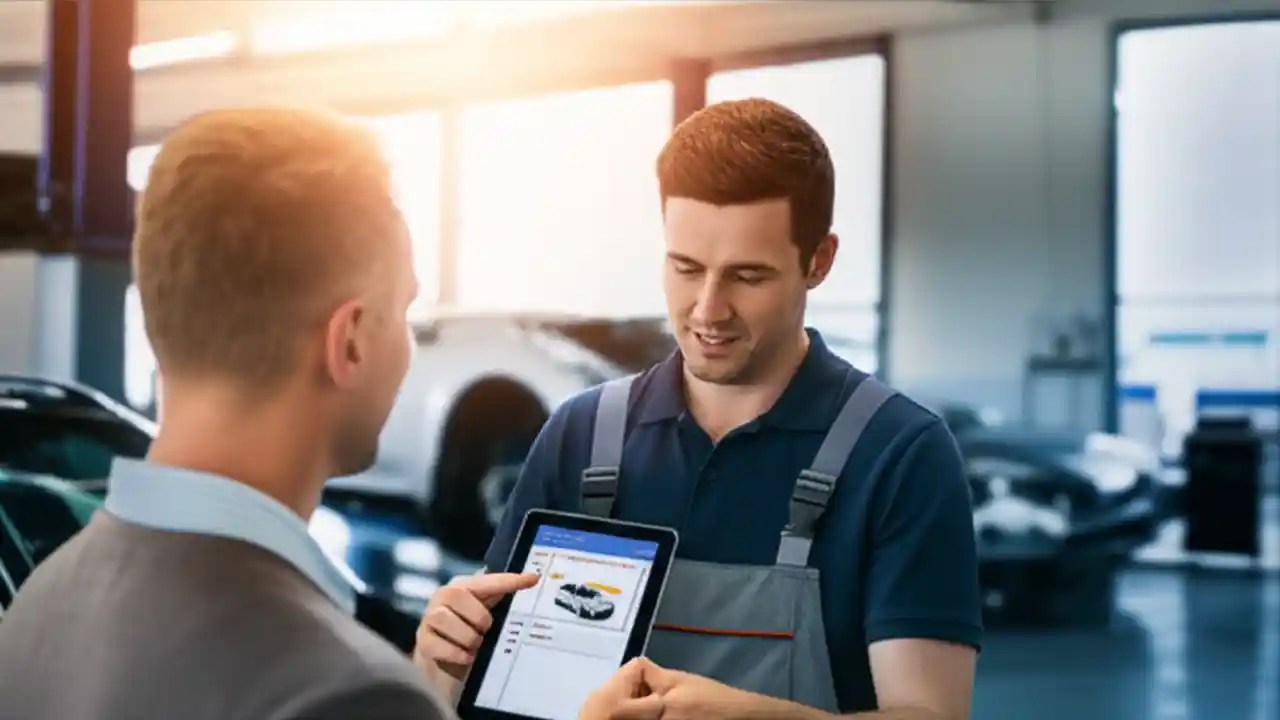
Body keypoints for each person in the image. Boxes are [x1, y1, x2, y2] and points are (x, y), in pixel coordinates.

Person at [0, 107, 655, 720]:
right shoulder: (348, 689)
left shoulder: (40, 599)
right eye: (402, 311)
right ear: (349, 341)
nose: (406, 344)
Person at [415, 98, 983, 719]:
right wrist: (443, 666)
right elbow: (505, 698)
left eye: (748, 276)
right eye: (686, 268)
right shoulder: (581, 438)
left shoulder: (900, 456)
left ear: (818, 260)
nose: (708, 309)